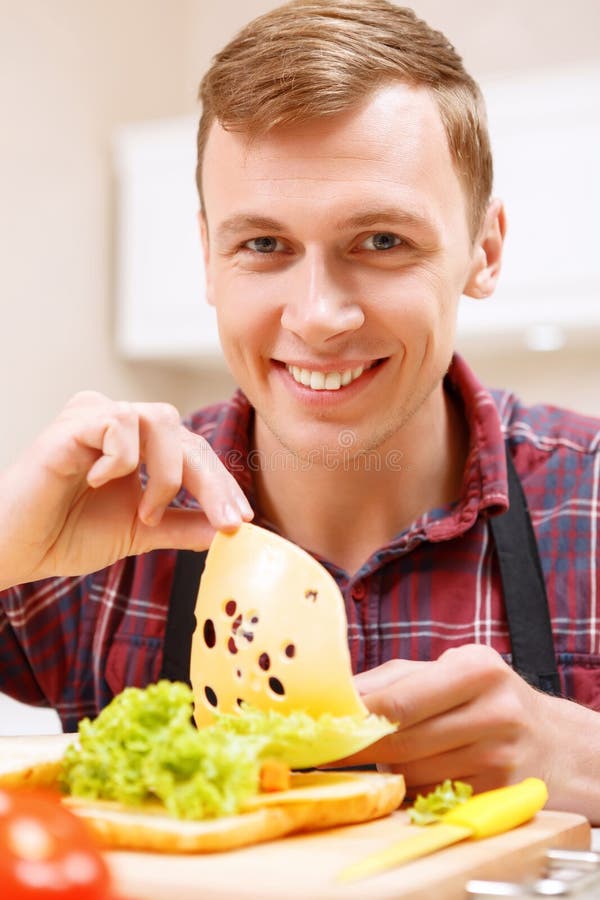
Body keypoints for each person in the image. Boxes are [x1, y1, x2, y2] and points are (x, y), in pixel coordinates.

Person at [1, 0, 599, 821]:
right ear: (208, 257)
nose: (319, 317)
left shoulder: (589, 502)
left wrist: (584, 756)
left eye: (382, 241)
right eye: (263, 244)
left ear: (484, 250)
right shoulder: (106, 523)